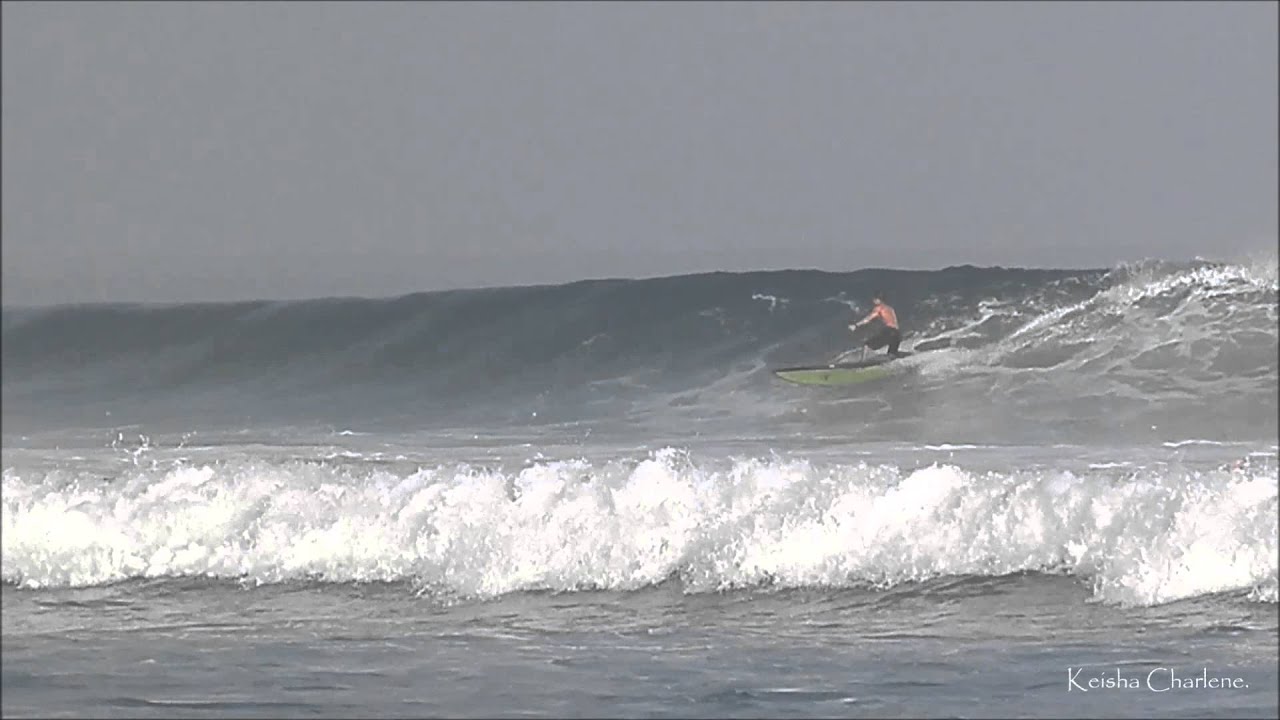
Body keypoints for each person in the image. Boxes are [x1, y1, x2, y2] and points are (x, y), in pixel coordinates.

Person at [850, 292, 904, 359]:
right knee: (891, 355)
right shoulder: (890, 308)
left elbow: (868, 319)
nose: (873, 300)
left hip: (889, 332)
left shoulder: (879, 308)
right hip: (897, 333)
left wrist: (856, 325)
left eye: (874, 299)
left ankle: (862, 365)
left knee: (866, 345)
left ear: (879, 300)